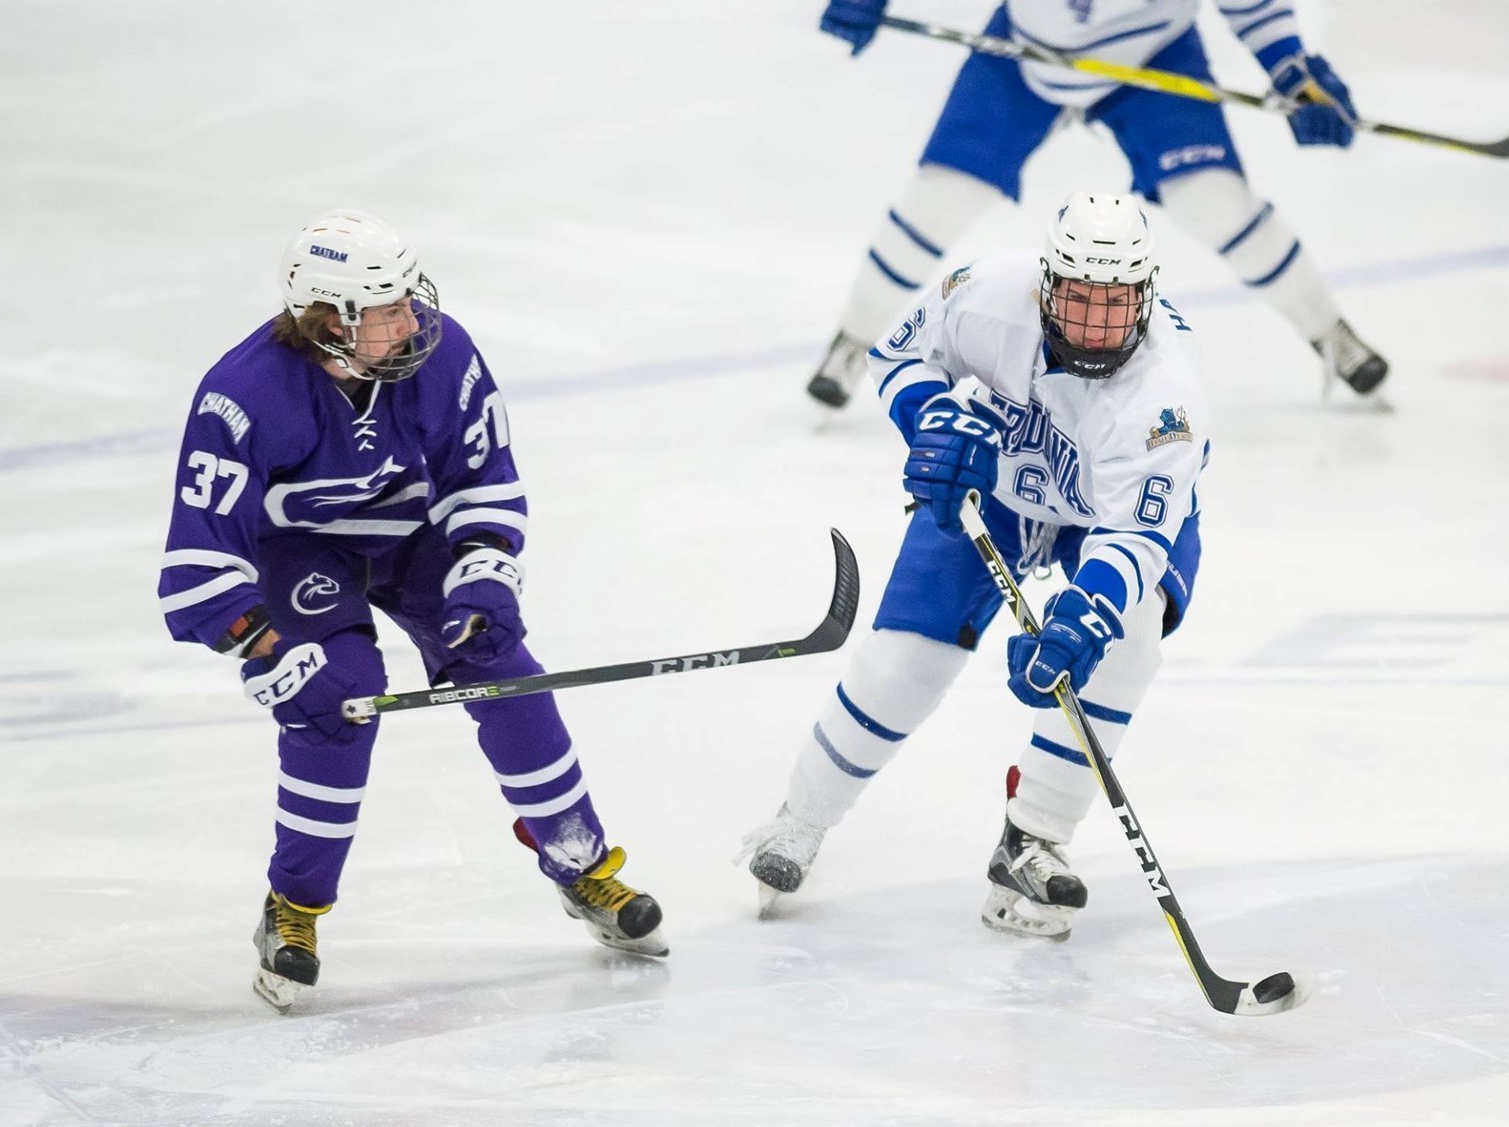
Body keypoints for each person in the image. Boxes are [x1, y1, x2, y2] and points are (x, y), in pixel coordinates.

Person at [158, 210, 667, 1012]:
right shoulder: (241, 397)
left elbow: (482, 474)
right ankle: (293, 910)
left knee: (504, 669)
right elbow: (198, 562)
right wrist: (269, 653)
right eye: (385, 308)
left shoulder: (442, 348)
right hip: (299, 555)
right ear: (329, 320)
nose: (412, 318)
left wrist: (485, 576)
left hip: (411, 533)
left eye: (406, 297)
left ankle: (581, 864)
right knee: (338, 705)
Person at [745, 192, 1206, 940]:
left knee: (1127, 642)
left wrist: (1083, 620)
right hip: (997, 487)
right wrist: (930, 417)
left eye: (1116, 305)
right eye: (1080, 301)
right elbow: (896, 354)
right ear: (1047, 284)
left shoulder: (1165, 401)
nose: (1096, 325)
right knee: (905, 662)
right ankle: (799, 820)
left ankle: (1035, 836)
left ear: (1147, 295)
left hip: (1106, 515)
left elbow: (1136, 540)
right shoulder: (986, 293)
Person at [806, 0, 1387, 409]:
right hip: (1024, 50)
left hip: (1151, 54)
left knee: (1214, 202)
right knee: (940, 199)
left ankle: (1329, 332)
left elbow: (1253, 6)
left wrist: (1294, 74)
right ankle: (854, 342)